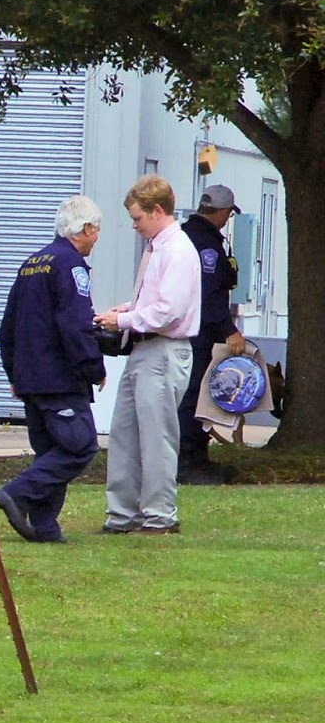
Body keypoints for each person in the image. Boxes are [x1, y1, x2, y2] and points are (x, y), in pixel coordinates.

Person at [0, 196, 107, 544]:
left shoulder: (31, 263)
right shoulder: (69, 265)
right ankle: (17, 493)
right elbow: (75, 324)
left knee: (51, 452)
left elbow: (7, 325)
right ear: (85, 229)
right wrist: (93, 367)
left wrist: (14, 374)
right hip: (60, 378)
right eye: (96, 231)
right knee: (79, 447)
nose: (96, 239)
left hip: (30, 379)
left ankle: (44, 527)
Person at [94, 175, 201, 534]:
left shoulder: (177, 250)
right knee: (125, 433)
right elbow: (154, 303)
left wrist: (123, 319)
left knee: (157, 437)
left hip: (164, 350)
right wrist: (126, 309)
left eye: (138, 217)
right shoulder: (157, 249)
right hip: (144, 349)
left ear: (158, 211)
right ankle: (122, 515)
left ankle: (159, 516)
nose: (135, 225)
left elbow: (168, 311)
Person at [177, 184, 245, 484]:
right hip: (200, 333)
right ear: (222, 212)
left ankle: (193, 459)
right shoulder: (206, 244)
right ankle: (189, 463)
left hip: (183, 330)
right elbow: (210, 295)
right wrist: (230, 331)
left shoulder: (183, 235)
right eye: (228, 215)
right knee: (195, 396)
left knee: (192, 395)